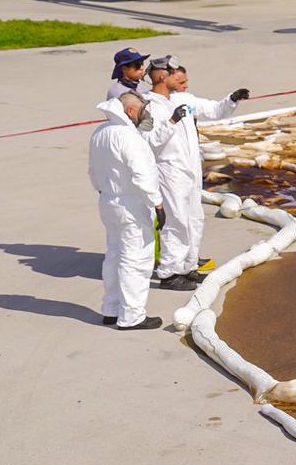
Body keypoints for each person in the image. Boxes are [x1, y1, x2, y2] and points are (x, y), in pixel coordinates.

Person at [144, 55, 250, 290]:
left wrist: (232, 100)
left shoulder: (183, 99)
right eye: (175, 77)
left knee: (194, 219)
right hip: (169, 170)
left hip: (190, 168)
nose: (182, 82)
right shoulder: (148, 105)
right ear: (161, 76)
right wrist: (171, 122)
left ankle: (188, 267)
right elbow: (149, 141)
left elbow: (213, 110)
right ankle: (170, 274)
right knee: (176, 221)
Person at [87, 91, 164, 331]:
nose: (146, 113)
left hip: (108, 201)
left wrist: (103, 191)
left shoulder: (100, 133)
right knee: (136, 258)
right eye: (142, 109)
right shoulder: (128, 136)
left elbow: (93, 171)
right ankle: (132, 316)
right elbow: (142, 175)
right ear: (130, 111)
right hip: (131, 204)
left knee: (114, 255)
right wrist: (158, 203)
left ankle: (111, 309)